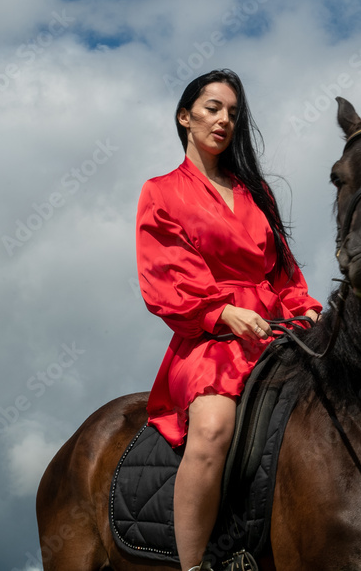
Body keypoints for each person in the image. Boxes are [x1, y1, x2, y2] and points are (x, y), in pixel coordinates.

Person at [135, 69, 322, 571]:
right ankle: (195, 567)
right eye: (213, 108)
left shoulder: (257, 191)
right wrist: (221, 312)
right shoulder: (161, 191)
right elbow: (164, 280)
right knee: (215, 427)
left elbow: (283, 270)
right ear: (185, 117)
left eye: (233, 113)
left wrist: (303, 309)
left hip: (274, 332)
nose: (224, 119)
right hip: (206, 341)